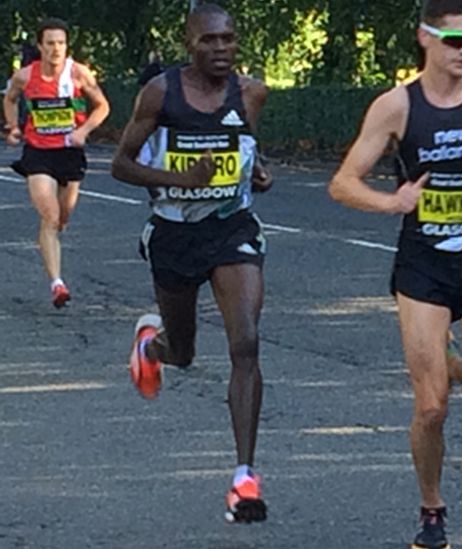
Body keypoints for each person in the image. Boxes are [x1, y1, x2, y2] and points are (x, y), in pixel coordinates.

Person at [328, 0, 462, 546]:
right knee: (431, 406)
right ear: (425, 38)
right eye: (453, 40)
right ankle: (431, 509)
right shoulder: (396, 107)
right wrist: (391, 202)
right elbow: (343, 183)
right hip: (423, 265)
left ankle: (442, 359)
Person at [110, 3, 272, 524]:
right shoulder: (161, 93)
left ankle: (244, 477)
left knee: (245, 342)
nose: (221, 49)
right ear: (190, 44)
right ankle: (151, 345)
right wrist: (182, 182)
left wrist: (257, 172)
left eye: (229, 39)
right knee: (182, 352)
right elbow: (120, 165)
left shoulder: (251, 93)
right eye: (210, 41)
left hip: (231, 228)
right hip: (175, 235)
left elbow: (245, 148)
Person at [2, 19, 110, 307]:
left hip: (70, 152)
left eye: (60, 43)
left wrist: (82, 131)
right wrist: (13, 127)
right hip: (38, 152)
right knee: (49, 216)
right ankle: (57, 284)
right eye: (50, 43)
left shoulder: (78, 74)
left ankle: (55, 244)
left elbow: (103, 106)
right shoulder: (25, 76)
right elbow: (10, 99)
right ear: (40, 46)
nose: (56, 49)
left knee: (62, 218)